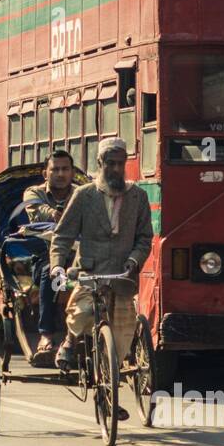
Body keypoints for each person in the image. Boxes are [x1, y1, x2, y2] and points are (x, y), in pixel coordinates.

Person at [50, 137, 153, 377]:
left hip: (122, 275)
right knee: (83, 311)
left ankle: (109, 389)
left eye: (120, 163)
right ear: (100, 162)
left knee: (121, 336)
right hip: (89, 273)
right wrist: (57, 267)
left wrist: (134, 260)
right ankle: (70, 341)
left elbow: (145, 238)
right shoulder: (84, 196)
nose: (116, 169)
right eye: (110, 163)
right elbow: (63, 236)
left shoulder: (137, 197)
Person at [24, 150, 76, 366]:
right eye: (55, 169)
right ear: (45, 173)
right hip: (44, 256)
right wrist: (57, 214)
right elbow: (39, 212)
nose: (60, 174)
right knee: (51, 274)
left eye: (65, 169)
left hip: (77, 255)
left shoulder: (82, 193)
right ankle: (46, 333)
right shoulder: (33, 193)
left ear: (72, 173)